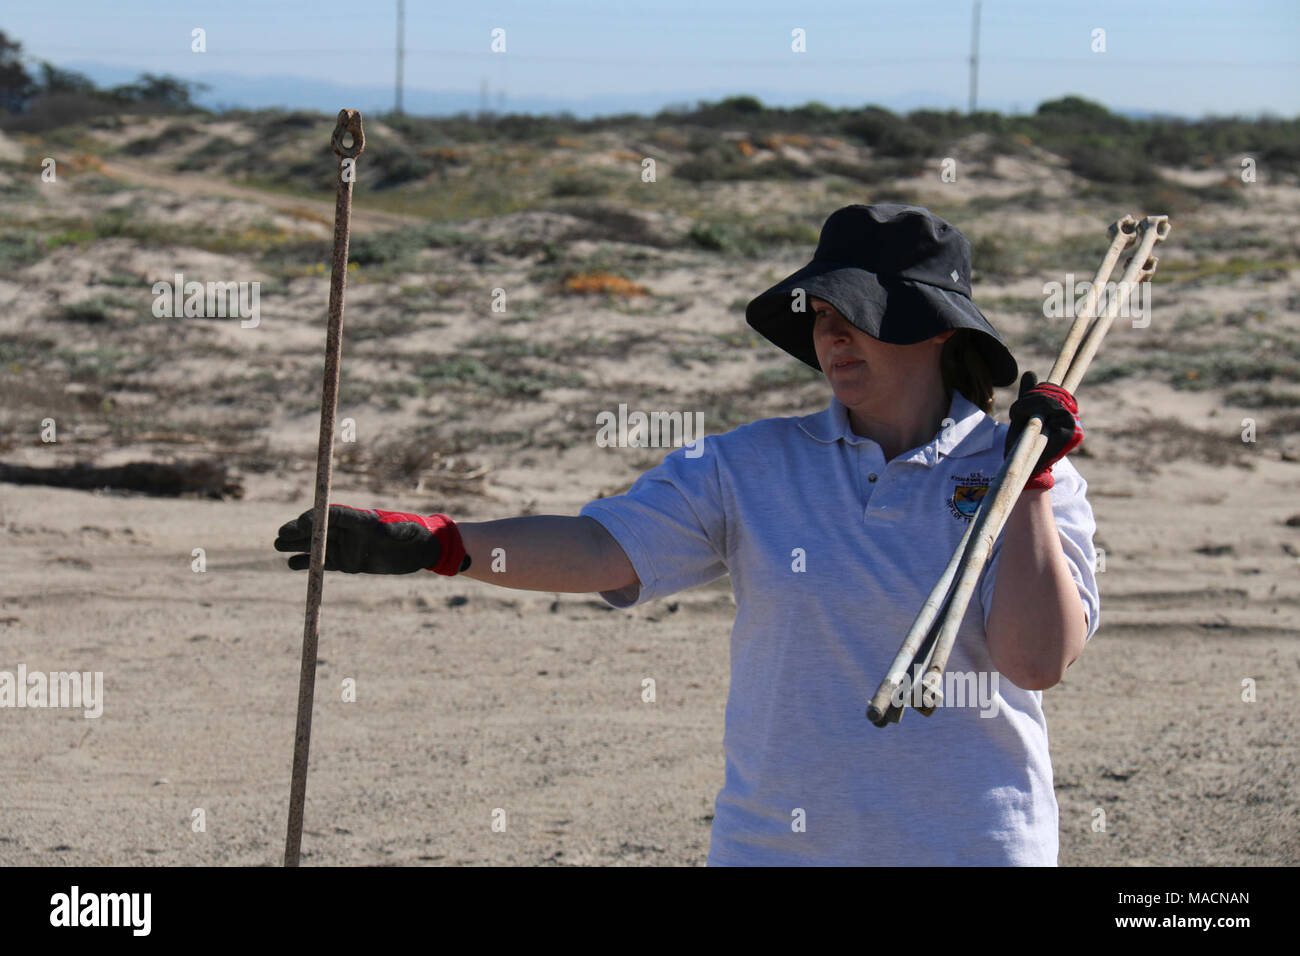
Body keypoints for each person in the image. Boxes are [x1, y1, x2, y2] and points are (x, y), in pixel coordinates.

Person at [274, 203, 1099, 866]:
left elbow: (1035, 660)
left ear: (937, 328)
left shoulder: (1025, 470)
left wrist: (1029, 481)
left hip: (971, 847)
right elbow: (603, 549)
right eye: (822, 313)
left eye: (862, 312)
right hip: (774, 849)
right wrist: (440, 544)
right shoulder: (750, 463)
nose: (832, 332)